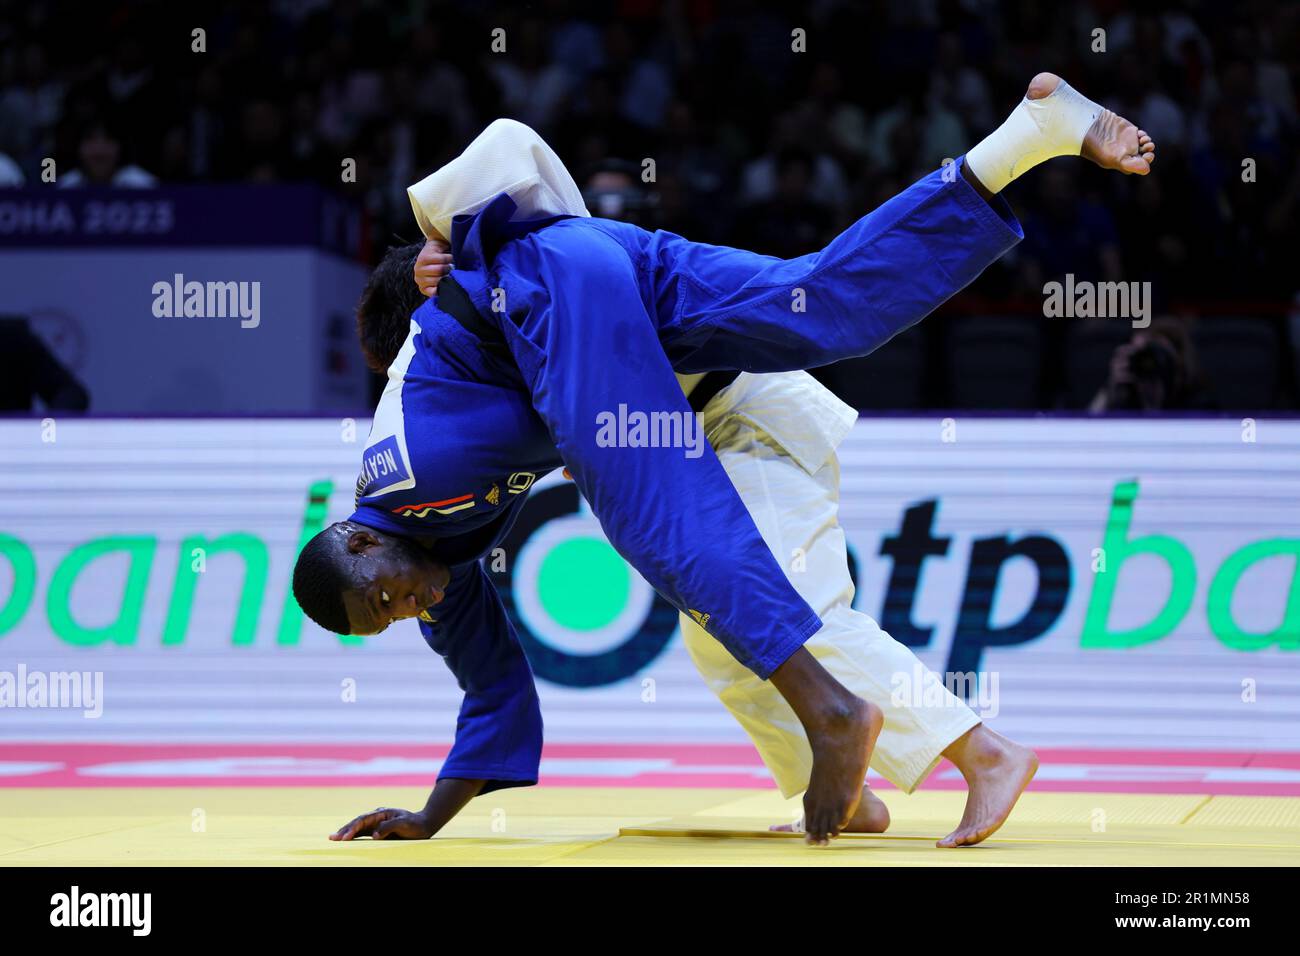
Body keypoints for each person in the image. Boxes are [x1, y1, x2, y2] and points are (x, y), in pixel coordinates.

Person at [300, 72, 1155, 845]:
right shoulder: (417, 561)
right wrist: (427, 819)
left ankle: (880, 725)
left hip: (629, 338)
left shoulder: (417, 461)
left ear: (367, 542)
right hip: (629, 295)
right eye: (395, 620)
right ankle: (1027, 137)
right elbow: (490, 689)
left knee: (644, 509)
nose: (411, 609)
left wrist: (439, 274)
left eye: (391, 600)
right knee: (823, 302)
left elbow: (586, 428)